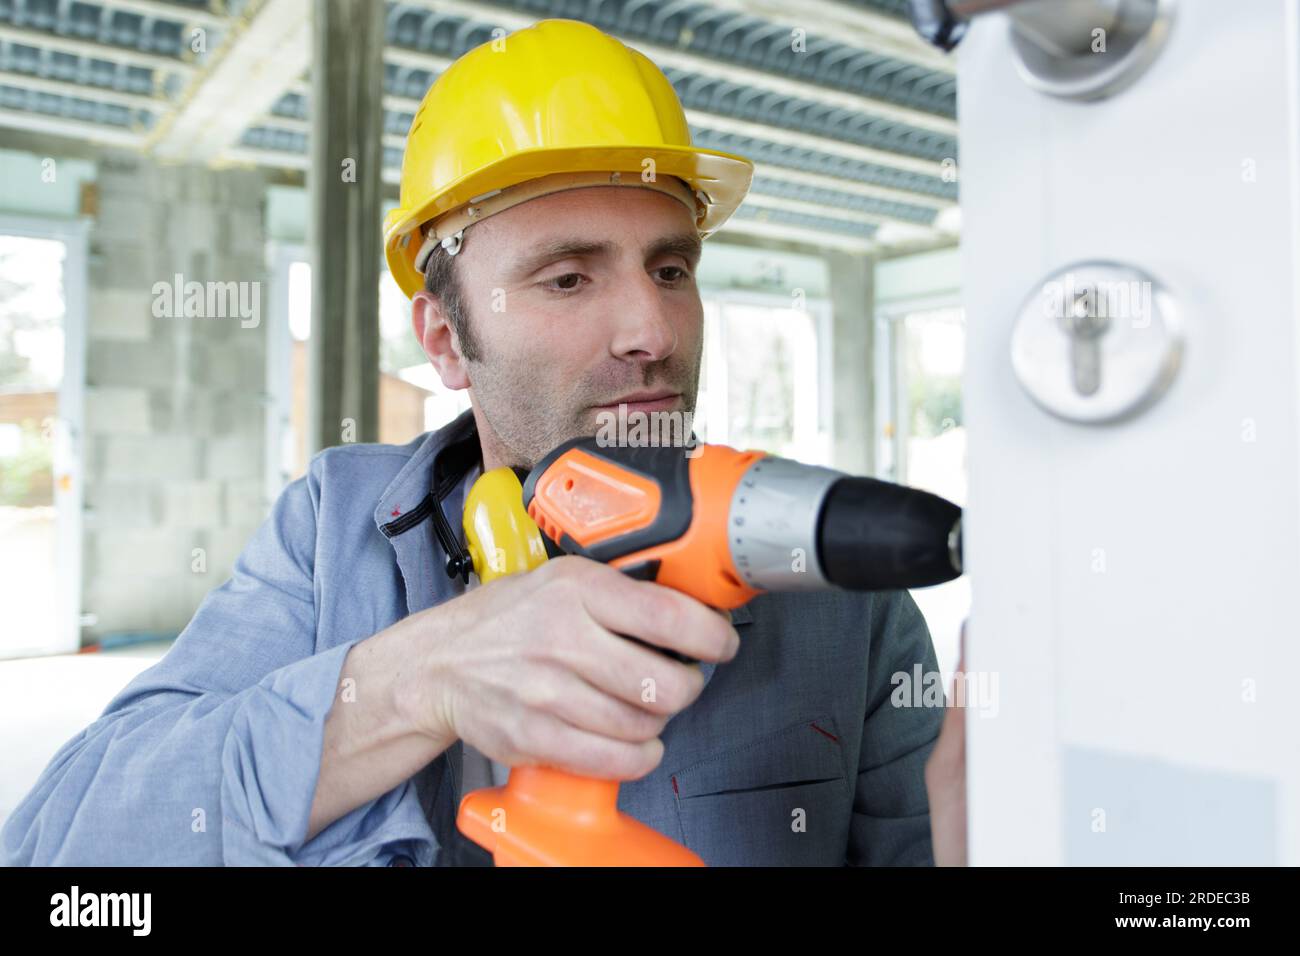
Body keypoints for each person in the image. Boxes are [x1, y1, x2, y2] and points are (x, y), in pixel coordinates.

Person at [1, 17, 965, 867]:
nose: (653, 330)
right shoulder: (332, 538)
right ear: (445, 340)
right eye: (567, 279)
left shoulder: (847, 613)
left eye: (670, 268)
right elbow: (65, 847)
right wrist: (414, 681)